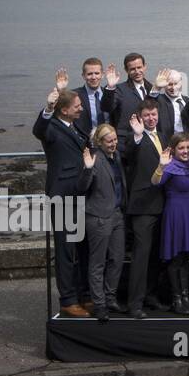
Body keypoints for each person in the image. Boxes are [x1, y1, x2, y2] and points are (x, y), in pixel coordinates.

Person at [34, 82, 92, 316]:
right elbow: (39, 130)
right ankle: (68, 300)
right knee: (66, 250)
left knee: (83, 248)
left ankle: (84, 294)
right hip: (63, 197)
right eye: (77, 106)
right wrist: (47, 108)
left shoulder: (75, 126)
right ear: (64, 110)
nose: (81, 109)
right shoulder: (51, 128)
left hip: (80, 194)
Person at [121, 100, 169, 317]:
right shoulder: (135, 138)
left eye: (154, 114)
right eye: (147, 115)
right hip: (142, 207)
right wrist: (137, 136)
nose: (151, 118)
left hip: (163, 204)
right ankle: (135, 304)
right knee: (140, 257)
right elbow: (128, 155)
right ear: (140, 117)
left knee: (156, 257)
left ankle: (150, 295)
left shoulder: (164, 136)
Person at [78, 124, 127, 321]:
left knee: (117, 258)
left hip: (117, 214)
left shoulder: (116, 157)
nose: (114, 143)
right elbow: (82, 187)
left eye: (115, 139)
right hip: (98, 216)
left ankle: (110, 297)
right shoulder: (94, 159)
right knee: (97, 263)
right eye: (109, 141)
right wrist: (87, 170)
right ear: (99, 142)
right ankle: (99, 304)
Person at [152, 134, 189, 315]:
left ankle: (186, 297)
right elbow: (155, 183)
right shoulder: (170, 166)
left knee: (185, 258)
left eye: (188, 147)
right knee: (175, 258)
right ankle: (176, 299)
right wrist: (160, 166)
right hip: (175, 215)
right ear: (173, 149)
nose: (186, 151)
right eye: (181, 148)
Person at [108, 52, 154, 141]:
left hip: (149, 141)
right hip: (127, 142)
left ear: (145, 67)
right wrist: (110, 88)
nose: (137, 72)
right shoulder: (120, 90)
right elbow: (107, 107)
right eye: (132, 69)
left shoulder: (151, 89)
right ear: (126, 70)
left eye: (139, 67)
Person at [72, 58, 116, 139]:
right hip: (85, 144)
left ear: (102, 75)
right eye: (89, 74)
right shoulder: (75, 96)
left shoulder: (111, 93)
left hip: (108, 143)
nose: (93, 77)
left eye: (97, 73)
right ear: (83, 76)